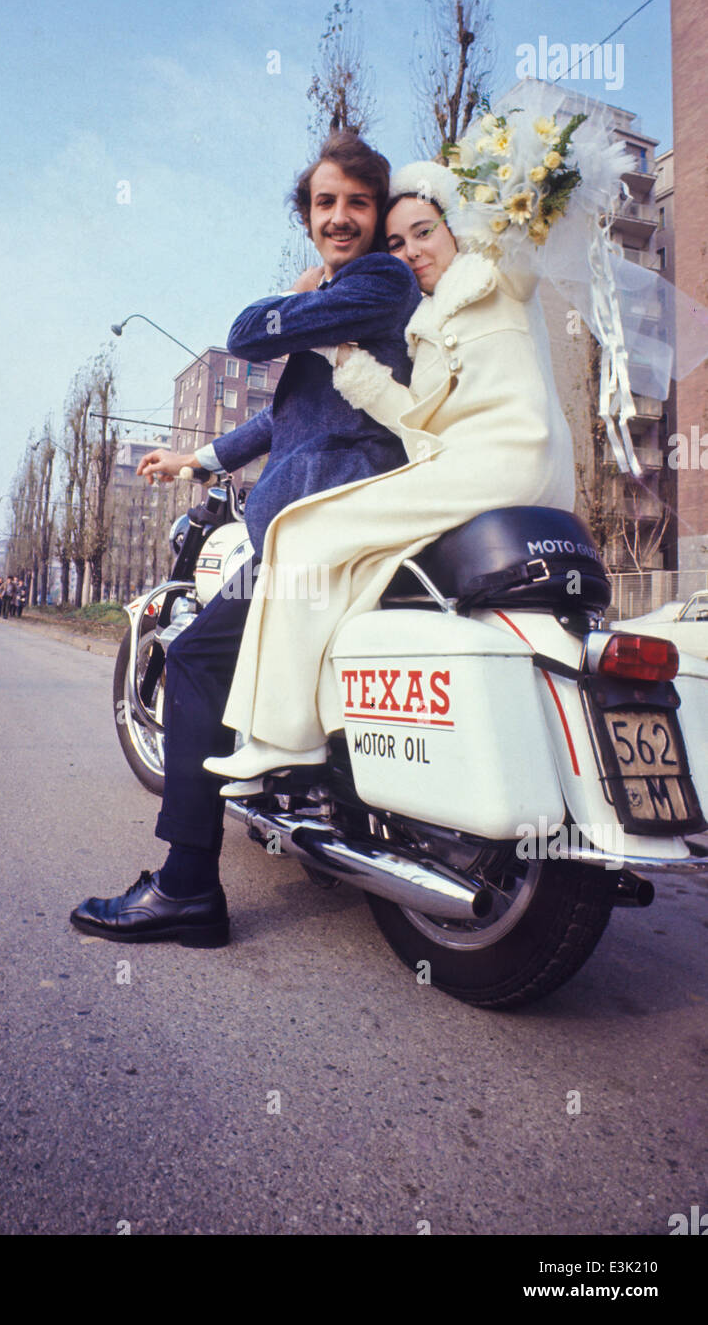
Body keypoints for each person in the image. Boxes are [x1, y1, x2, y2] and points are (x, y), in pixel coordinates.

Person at [70, 130, 420, 947]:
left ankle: (188, 886)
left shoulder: (378, 279)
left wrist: (297, 293)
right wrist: (194, 458)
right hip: (316, 508)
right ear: (308, 212)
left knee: (195, 657)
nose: (339, 217)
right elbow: (287, 415)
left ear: (375, 214)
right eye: (324, 203)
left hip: (328, 518)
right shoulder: (350, 310)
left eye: (355, 203)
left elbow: (247, 330)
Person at [205, 154, 576, 778]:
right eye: (398, 242)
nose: (411, 252)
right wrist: (344, 358)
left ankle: (285, 736)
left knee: (301, 530)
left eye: (426, 231)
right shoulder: (426, 324)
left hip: (496, 465)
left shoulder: (498, 275)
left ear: (459, 227)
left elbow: (520, 228)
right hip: (466, 469)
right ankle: (346, 722)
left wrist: (525, 167)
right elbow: (415, 419)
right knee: (355, 561)